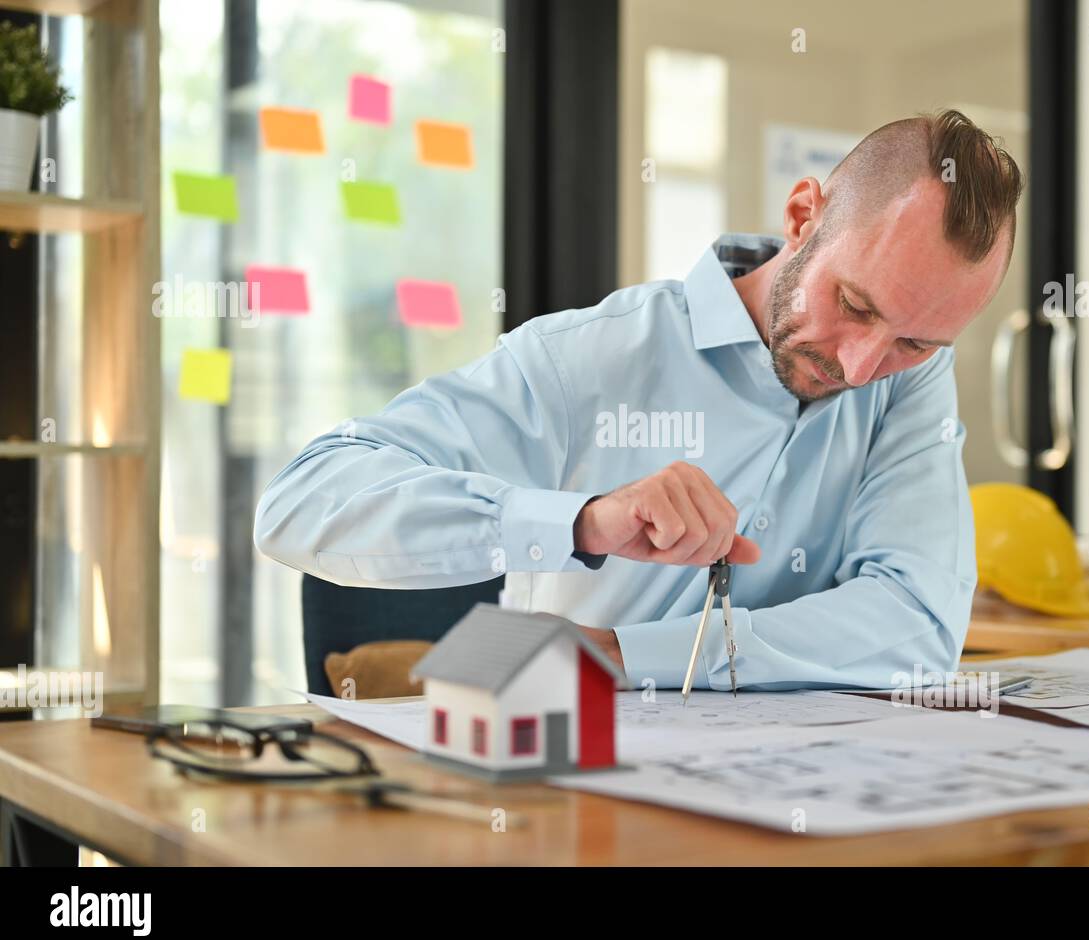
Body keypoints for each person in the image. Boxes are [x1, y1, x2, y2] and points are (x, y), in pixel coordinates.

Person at [254, 109, 1023, 692]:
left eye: (915, 342)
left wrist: (621, 653)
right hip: (569, 795)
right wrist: (581, 520)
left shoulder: (908, 377)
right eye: (854, 304)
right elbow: (299, 501)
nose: (861, 369)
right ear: (801, 217)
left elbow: (917, 625)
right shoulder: (587, 356)